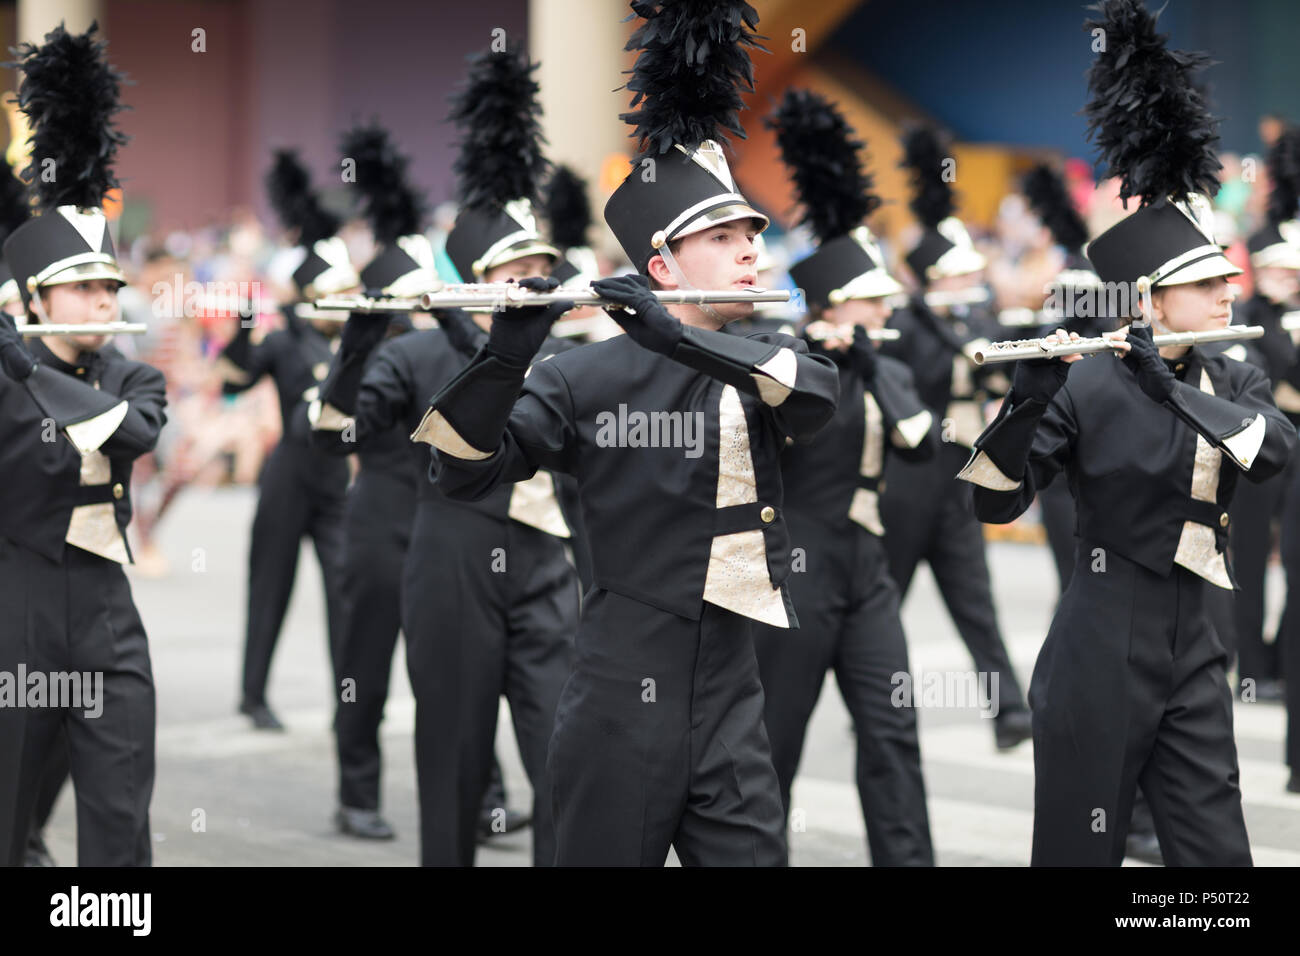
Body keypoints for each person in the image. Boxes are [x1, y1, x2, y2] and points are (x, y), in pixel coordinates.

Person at [415, 0, 839, 866]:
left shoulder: (767, 352)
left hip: (733, 690)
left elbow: (813, 400)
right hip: (616, 692)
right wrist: (504, 358)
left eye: (751, 234)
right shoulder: (582, 375)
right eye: (724, 238)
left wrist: (677, 335)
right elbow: (456, 470)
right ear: (661, 267)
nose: (752, 252)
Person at [957, 0, 1296, 865]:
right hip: (1099, 646)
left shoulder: (1233, 376)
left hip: (1198, 647)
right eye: (1206, 283)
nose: (1229, 292)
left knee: (1218, 867)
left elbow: (1271, 455)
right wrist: (1028, 399)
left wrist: (1172, 388)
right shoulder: (1090, 384)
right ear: (1150, 301)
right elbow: (993, 506)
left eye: (1228, 276)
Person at [311, 47, 578, 866]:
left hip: (549, 560)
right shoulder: (418, 356)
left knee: (563, 751)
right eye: (519, 270)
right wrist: (356, 350)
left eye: (544, 268)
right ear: (481, 279)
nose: (537, 280)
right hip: (453, 551)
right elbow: (339, 430)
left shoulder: (576, 357)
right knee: (454, 751)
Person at [752, 88, 935, 865]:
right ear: (830, 305)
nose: (883, 312)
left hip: (868, 567)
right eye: (869, 303)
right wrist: (828, 355)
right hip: (800, 567)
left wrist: (868, 358)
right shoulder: (792, 366)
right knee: (778, 735)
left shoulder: (879, 364)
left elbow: (922, 444)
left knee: (893, 728)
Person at [0, 23, 165, 866]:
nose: (104, 300)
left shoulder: (132, 378)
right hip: (15, 608)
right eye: (84, 288)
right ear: (34, 298)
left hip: (107, 613)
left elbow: (134, 434)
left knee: (119, 812)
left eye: (109, 285)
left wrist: (24, 367)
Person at [880, 123, 1032, 749]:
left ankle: (1011, 713)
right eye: (950, 276)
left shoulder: (977, 314)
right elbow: (913, 390)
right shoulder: (905, 326)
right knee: (882, 607)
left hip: (961, 478)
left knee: (976, 602)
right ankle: (879, 708)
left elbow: (1001, 368)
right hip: (910, 482)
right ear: (929, 279)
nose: (962, 284)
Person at [221, 151, 359, 731]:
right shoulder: (283, 342)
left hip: (334, 481)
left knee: (343, 596)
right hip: (287, 478)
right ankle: (253, 695)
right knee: (270, 588)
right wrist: (247, 322)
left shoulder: (357, 343)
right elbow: (234, 379)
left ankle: (347, 701)